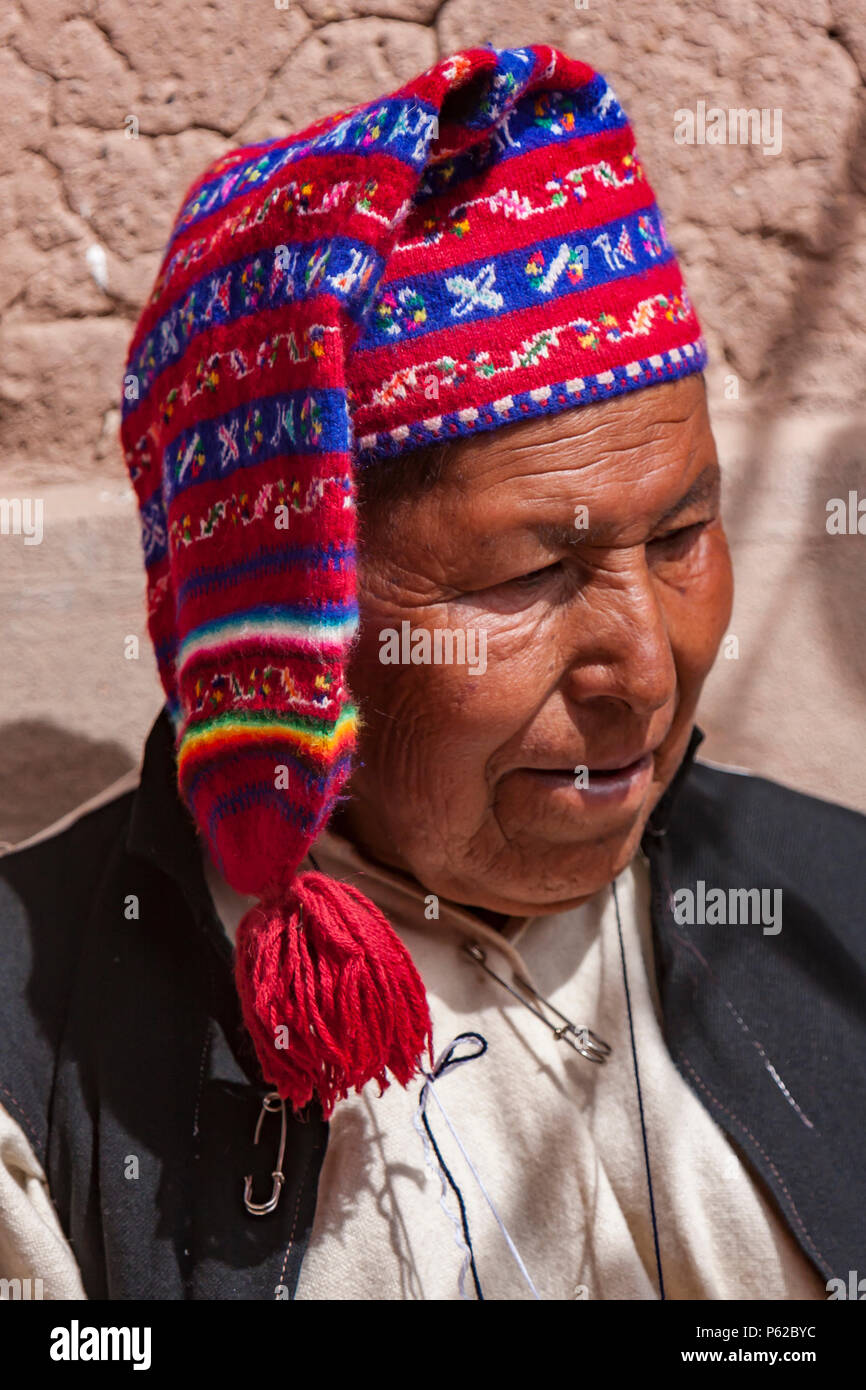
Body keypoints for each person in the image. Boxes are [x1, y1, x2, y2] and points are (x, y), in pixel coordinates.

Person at [0, 41, 863, 1302]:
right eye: (526, 577)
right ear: (287, 620)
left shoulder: (833, 916)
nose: (646, 664)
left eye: (682, 533)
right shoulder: (39, 1079)